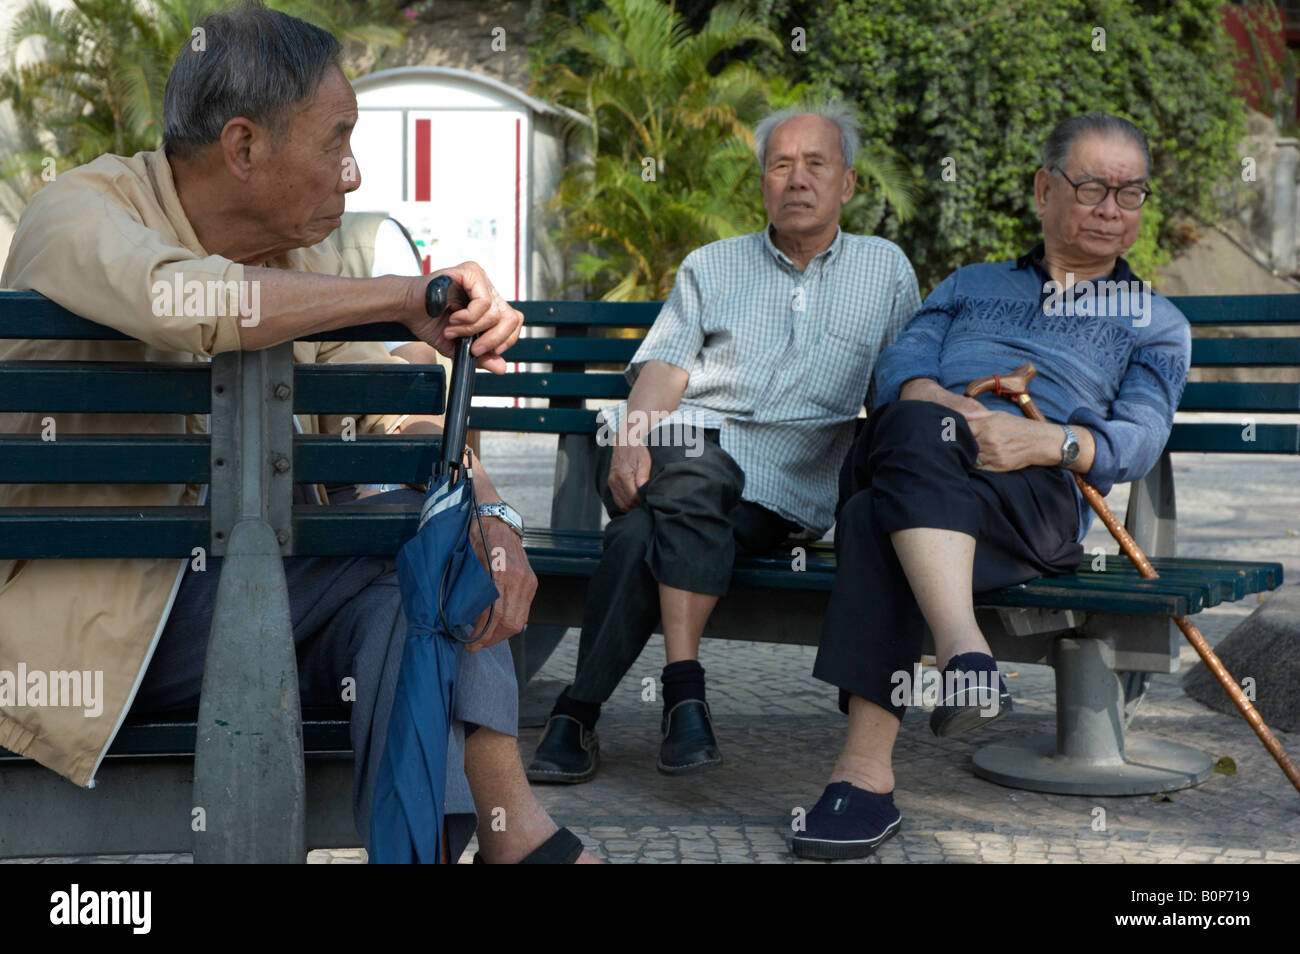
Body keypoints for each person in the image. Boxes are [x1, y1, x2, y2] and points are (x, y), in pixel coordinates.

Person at [0, 2, 596, 864]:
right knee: (404, 547)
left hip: (261, 609)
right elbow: (193, 303)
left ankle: (465, 848)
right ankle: (521, 840)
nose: (352, 175)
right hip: (89, 641)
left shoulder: (294, 261)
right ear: (243, 147)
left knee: (412, 592)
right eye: (337, 141)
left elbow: (392, 405)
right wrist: (403, 293)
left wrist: (492, 513)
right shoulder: (80, 215)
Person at [790, 112, 1191, 860]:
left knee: (880, 510)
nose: (1111, 208)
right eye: (1092, 187)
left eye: (1130, 193)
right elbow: (896, 374)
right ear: (1044, 189)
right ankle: (963, 654)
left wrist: (1048, 439)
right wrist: (956, 409)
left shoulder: (1155, 322)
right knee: (912, 426)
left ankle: (868, 773)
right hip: (926, 459)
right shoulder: (969, 285)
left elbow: (1139, 439)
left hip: (1030, 506)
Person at [527, 102, 921, 784]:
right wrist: (629, 439)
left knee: (636, 535)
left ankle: (580, 713)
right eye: (780, 165)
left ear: (848, 184)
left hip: (782, 490)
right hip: (674, 449)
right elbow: (666, 369)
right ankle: (679, 694)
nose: (797, 180)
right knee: (688, 465)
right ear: (762, 182)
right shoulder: (712, 265)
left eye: (815, 165)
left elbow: (898, 391)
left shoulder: (884, 271)